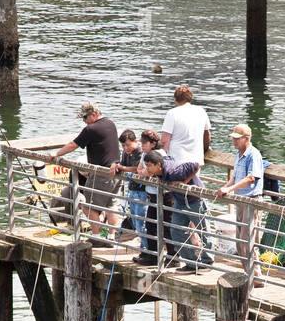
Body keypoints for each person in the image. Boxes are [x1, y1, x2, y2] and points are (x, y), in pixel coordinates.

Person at [51, 101, 122, 235]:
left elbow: (73, 145)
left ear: (93, 115)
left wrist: (56, 153)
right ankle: (111, 237)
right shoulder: (111, 123)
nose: (84, 121)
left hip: (101, 173)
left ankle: (96, 236)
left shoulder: (91, 129)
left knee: (88, 206)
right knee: (111, 206)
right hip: (116, 172)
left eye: (85, 117)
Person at [139, 149, 209, 273]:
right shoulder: (161, 168)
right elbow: (169, 158)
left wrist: (185, 182)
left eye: (150, 166)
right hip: (179, 200)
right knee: (175, 231)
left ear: (158, 165)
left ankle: (207, 261)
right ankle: (191, 262)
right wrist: (158, 177)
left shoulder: (174, 172)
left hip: (194, 199)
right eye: (147, 165)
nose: (147, 168)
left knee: (203, 230)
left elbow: (196, 165)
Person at [218, 124, 266, 288]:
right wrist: (226, 187)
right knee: (239, 242)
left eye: (237, 139)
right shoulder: (238, 155)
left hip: (251, 200)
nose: (234, 141)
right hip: (239, 200)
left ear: (247, 138)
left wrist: (230, 188)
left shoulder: (254, 155)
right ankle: (249, 274)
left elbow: (252, 177)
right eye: (233, 138)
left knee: (248, 240)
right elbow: (235, 177)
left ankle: (257, 276)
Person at [110, 129, 159, 262]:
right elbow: (133, 167)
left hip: (141, 192)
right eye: (123, 146)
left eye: (127, 145)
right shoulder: (128, 153)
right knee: (137, 222)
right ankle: (144, 250)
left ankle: (147, 250)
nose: (125, 148)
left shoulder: (140, 153)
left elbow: (135, 168)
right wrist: (118, 165)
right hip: (133, 191)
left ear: (135, 142)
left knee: (142, 222)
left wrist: (122, 168)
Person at [160, 85, 211, 168]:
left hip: (177, 161)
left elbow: (164, 140)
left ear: (175, 99)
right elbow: (207, 136)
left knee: (178, 181)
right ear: (190, 98)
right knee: (193, 181)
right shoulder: (201, 111)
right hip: (196, 161)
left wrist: (164, 161)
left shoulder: (172, 113)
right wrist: (205, 149)